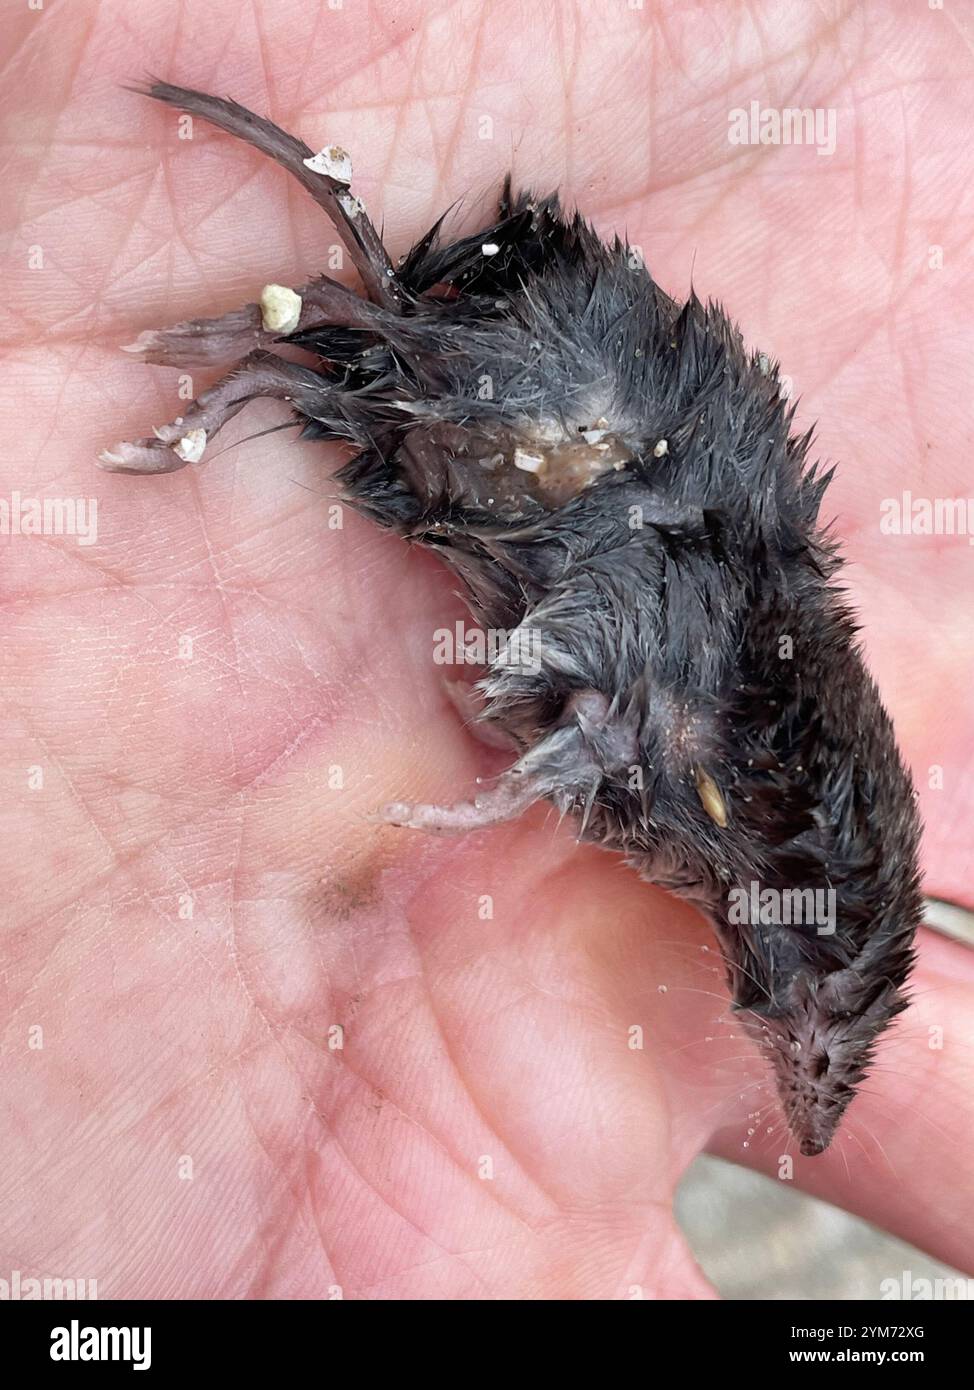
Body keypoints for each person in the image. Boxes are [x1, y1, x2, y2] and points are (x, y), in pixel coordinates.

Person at [1, 0, 971, 1299]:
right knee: (415, 393)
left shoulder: (710, 782)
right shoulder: (726, 742)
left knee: (401, 398)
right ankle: (288, 351)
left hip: (565, 424)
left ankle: (287, 353)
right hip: (580, 405)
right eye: (802, 1046)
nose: (787, 1067)